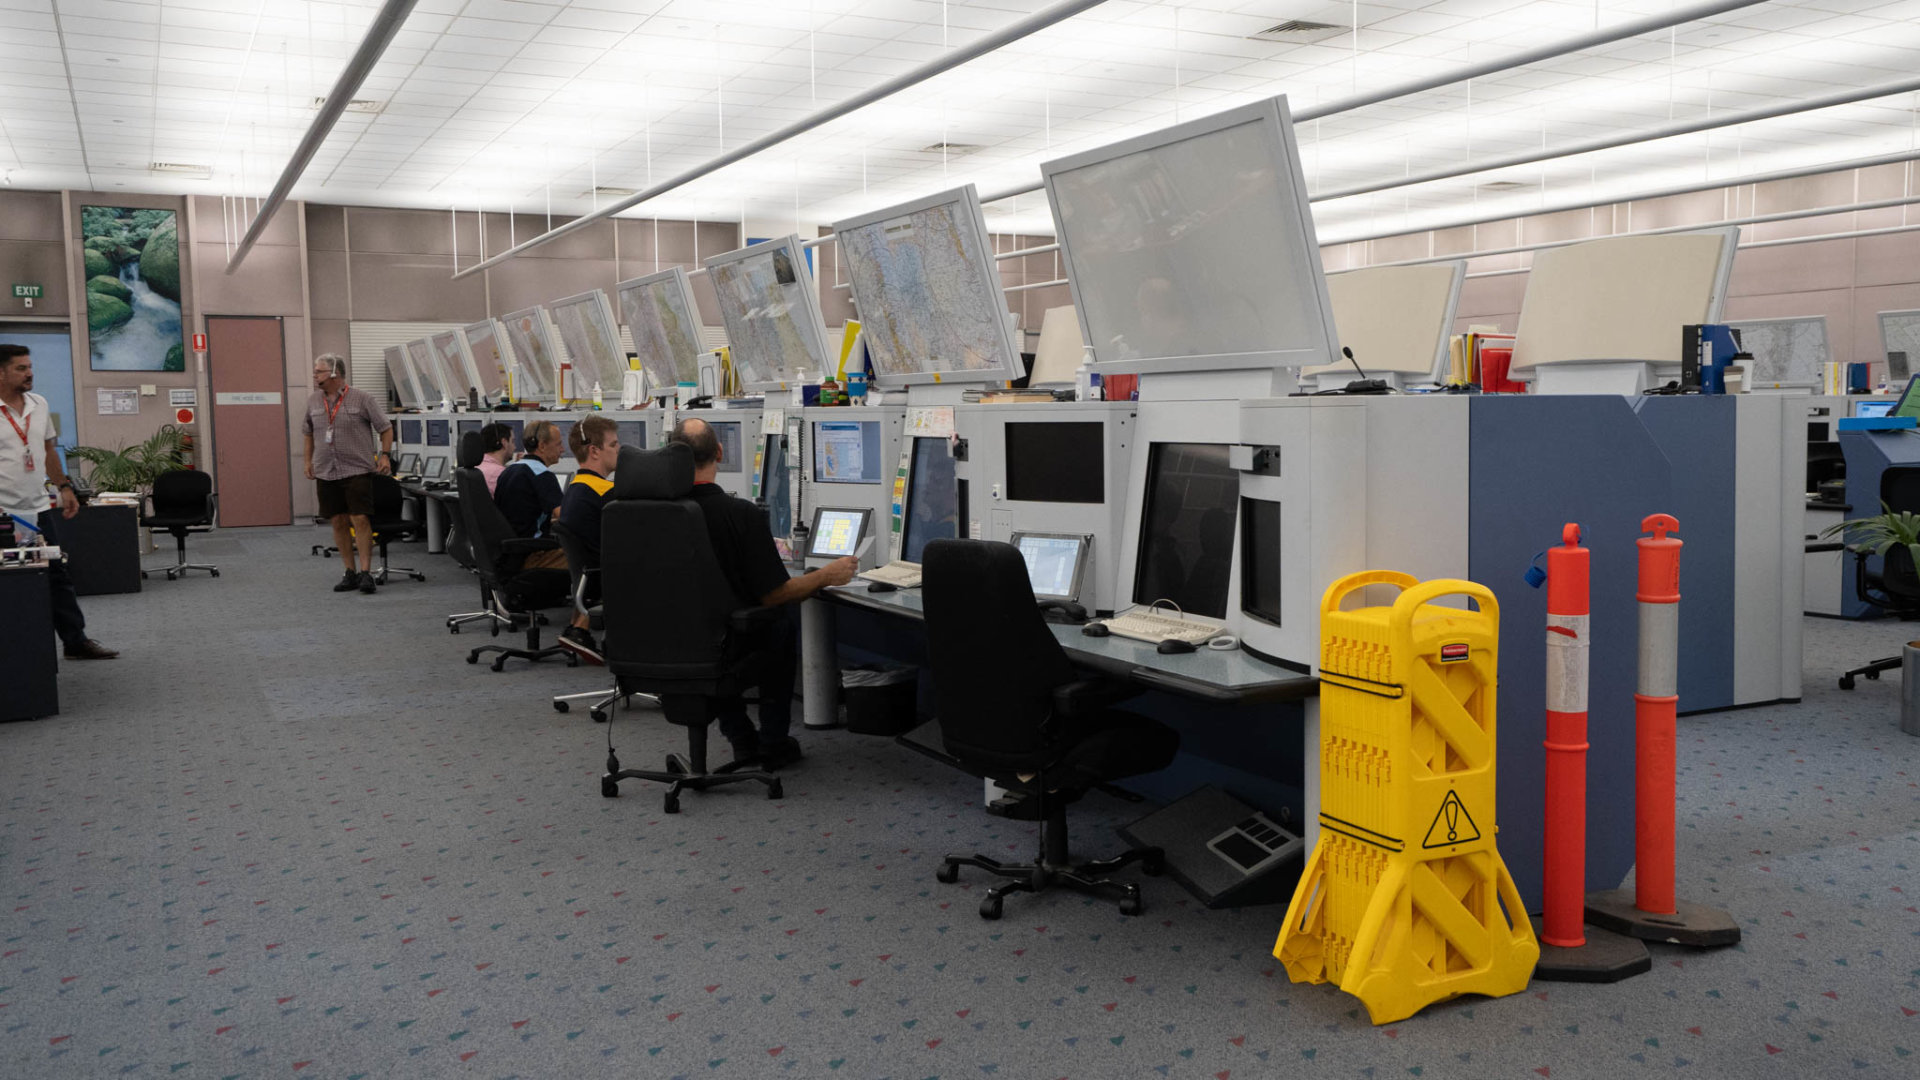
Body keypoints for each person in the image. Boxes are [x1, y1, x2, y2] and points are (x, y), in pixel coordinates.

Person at [668, 417, 856, 769]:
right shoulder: (739, 514)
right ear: (719, 452)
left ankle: (741, 738)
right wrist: (826, 575)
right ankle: (772, 743)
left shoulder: (654, 513)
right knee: (776, 627)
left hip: (665, 642)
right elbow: (774, 594)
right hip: (722, 645)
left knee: (717, 639)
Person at [0, 344, 117, 660]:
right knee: (8, 582)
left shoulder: (39, 404)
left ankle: (75, 642)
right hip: (3, 513)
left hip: (38, 509)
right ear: (1, 373)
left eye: (30, 367)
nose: (29, 373)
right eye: (21, 368)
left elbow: (49, 450)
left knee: (56, 575)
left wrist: (64, 487)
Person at [302, 353, 393, 594]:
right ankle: (349, 572)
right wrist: (308, 461)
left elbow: (386, 428)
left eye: (319, 371)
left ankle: (365, 573)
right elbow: (308, 433)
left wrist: (385, 455)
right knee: (337, 520)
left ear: (334, 373)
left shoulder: (363, 399)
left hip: (357, 469)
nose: (315, 375)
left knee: (360, 518)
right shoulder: (313, 401)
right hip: (326, 470)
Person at [553, 416, 619, 664]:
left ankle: (580, 626)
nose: (619, 449)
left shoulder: (576, 487)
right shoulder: (606, 494)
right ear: (594, 451)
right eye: (613, 444)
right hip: (606, 580)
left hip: (587, 580)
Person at [493, 420, 564, 545]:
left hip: (508, 548)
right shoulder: (542, 474)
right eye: (559, 444)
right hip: (533, 549)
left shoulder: (508, 471)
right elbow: (564, 516)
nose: (562, 449)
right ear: (542, 446)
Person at [477, 422, 516, 495]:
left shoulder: (477, 467)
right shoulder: (500, 474)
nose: (515, 447)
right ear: (504, 443)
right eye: (513, 441)